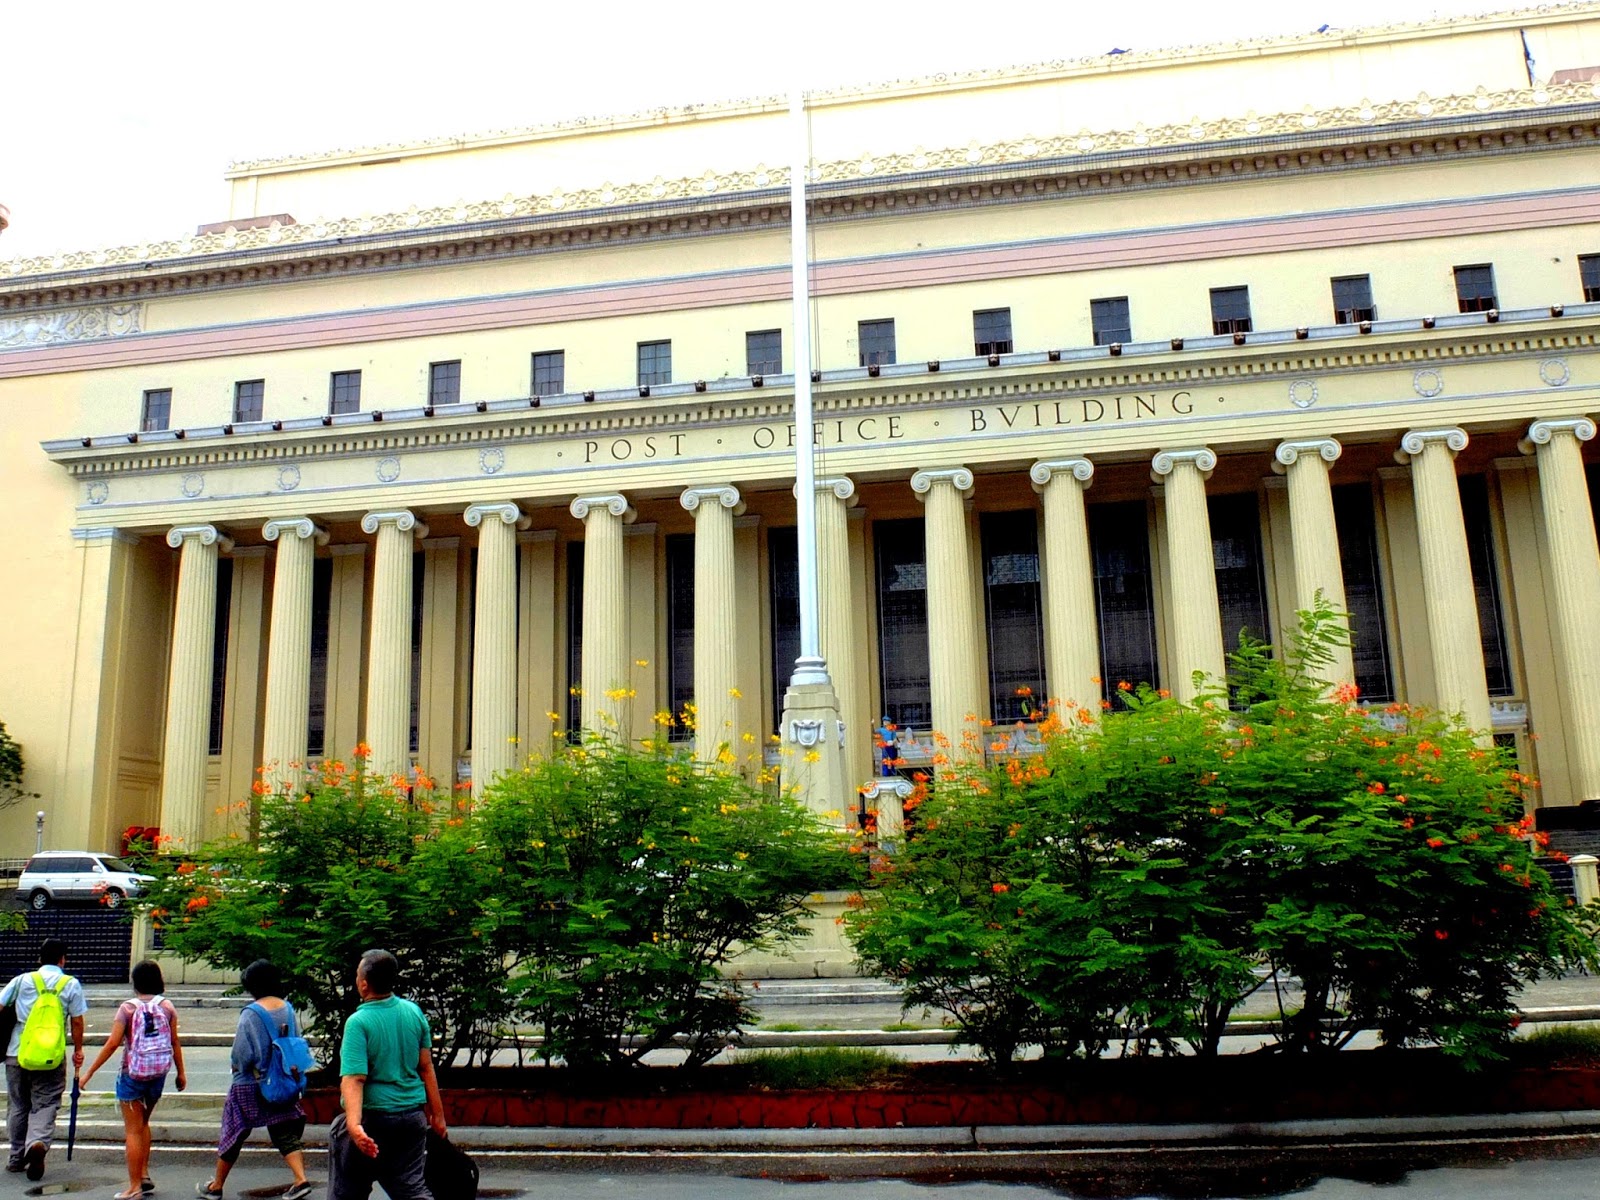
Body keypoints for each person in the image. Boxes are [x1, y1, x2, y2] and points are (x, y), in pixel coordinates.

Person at [327, 950, 446, 1200]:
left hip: (373, 1119)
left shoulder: (358, 1022)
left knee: (348, 1190)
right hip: (412, 1118)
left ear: (364, 984)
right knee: (410, 1188)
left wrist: (354, 1126)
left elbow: (354, 1079)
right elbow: (426, 1067)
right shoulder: (413, 1012)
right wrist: (438, 1116)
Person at [195, 960, 310, 1200]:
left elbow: (242, 1054)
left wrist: (236, 1065)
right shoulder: (288, 1009)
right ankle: (301, 1179)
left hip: (250, 1083)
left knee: (234, 1132)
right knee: (283, 1130)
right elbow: (296, 1042)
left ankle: (216, 1186)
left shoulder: (251, 1013)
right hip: (281, 1082)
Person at [80, 960, 186, 1200]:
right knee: (144, 1124)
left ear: (135, 982)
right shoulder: (167, 1007)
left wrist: (89, 1072)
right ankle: (144, 1174)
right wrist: (181, 1072)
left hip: (133, 1073)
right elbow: (175, 1042)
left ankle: (134, 1187)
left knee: (133, 1131)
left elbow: (113, 1043)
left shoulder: (127, 1009)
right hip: (158, 1073)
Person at [1, 938, 87, 1181]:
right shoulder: (70, 984)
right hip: (51, 1055)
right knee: (46, 1103)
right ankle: (37, 1142)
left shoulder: (21, 980)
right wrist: (78, 1049)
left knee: (18, 1105)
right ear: (62, 960)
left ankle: (16, 1157)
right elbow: (77, 1021)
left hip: (17, 1052)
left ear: (39, 958)